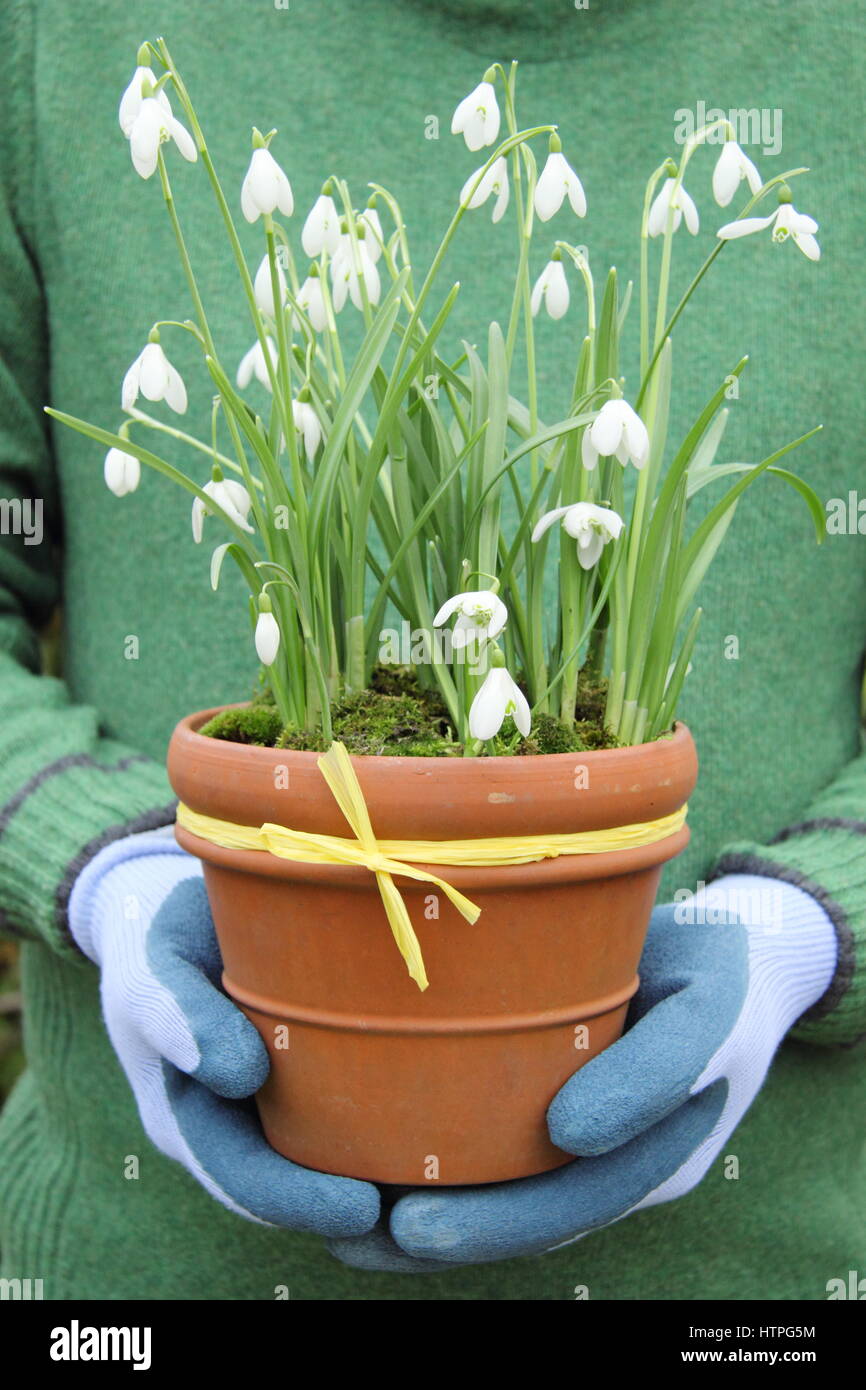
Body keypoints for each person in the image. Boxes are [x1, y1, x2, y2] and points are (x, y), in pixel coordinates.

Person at [0, 0, 863, 1300]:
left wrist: (808, 930)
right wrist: (103, 873)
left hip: (762, 1293)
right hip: (136, 1293)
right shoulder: (53, 31)